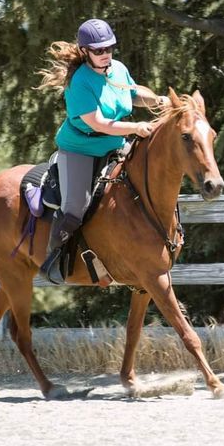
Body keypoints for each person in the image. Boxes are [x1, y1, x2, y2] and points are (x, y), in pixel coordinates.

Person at [37, 18, 169, 284]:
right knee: (75, 206)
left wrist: (156, 99)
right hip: (81, 149)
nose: (105, 54)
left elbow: (132, 94)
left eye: (109, 48)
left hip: (116, 145)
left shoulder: (117, 69)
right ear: (85, 52)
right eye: (98, 50)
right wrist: (136, 127)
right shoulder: (80, 82)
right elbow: (98, 123)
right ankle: (56, 256)